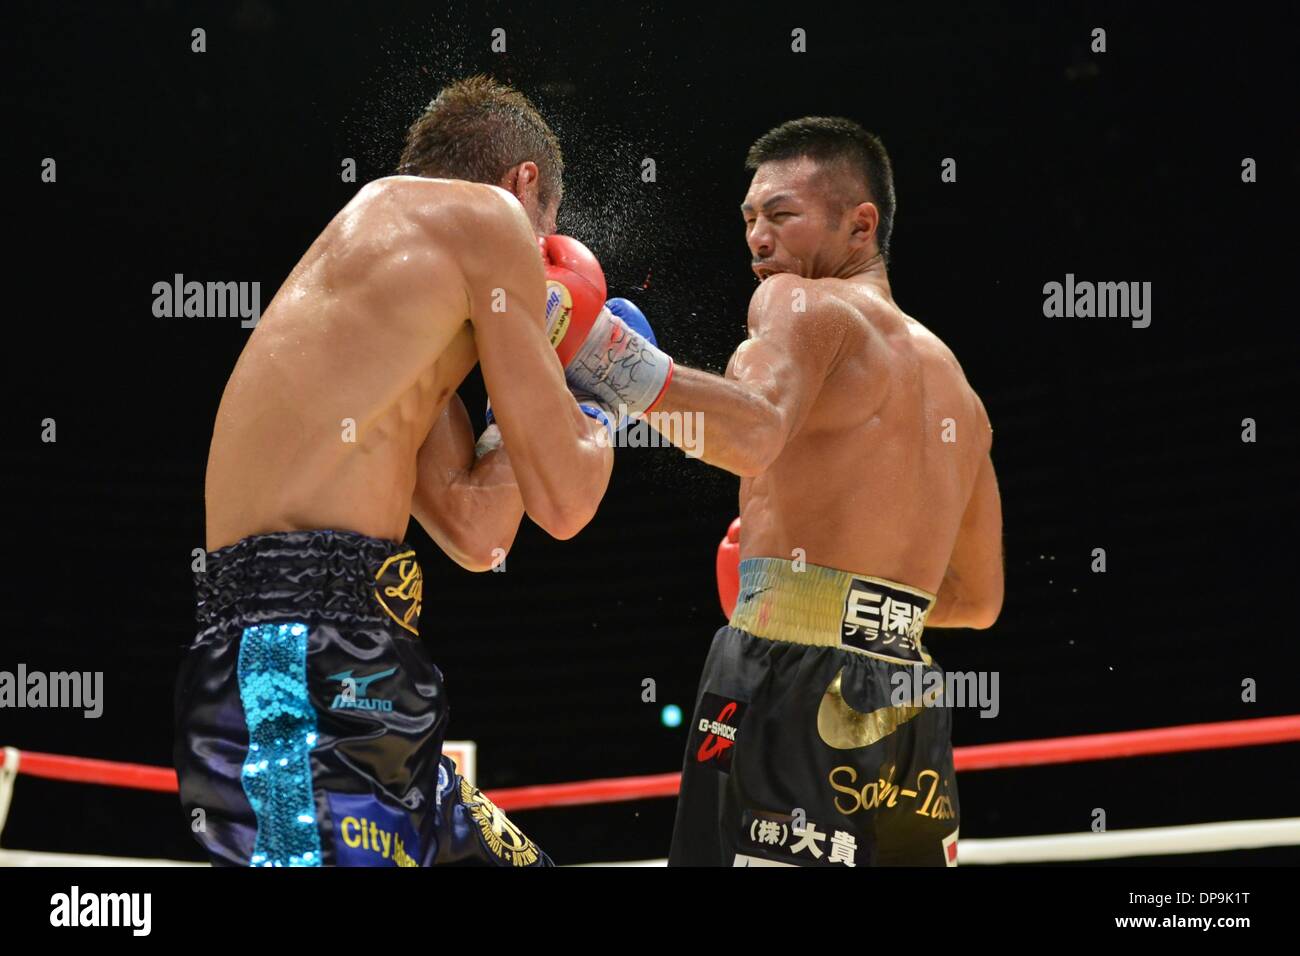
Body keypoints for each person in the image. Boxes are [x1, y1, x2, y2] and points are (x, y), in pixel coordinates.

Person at [176, 76, 623, 867]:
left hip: (372, 661)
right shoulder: (485, 221)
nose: (542, 259)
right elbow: (566, 501)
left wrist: (529, 405)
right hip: (295, 667)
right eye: (545, 232)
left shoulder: (391, 309)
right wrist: (603, 392)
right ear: (524, 184)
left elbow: (477, 530)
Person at [567, 116, 1005, 866]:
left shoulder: (800, 305)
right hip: (907, 701)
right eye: (748, 219)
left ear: (860, 223)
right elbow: (974, 599)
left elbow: (754, 434)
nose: (758, 239)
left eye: (781, 215)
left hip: (790, 679)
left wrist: (604, 357)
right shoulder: (961, 393)